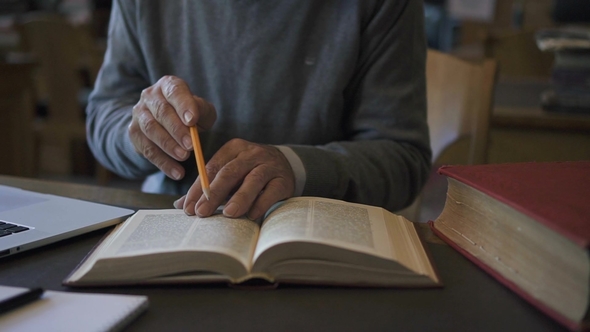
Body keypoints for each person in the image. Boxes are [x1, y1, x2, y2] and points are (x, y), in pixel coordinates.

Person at [86, 0, 432, 220]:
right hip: (174, 222)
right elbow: (105, 112)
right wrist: (143, 132)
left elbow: (402, 158)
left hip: (316, 237)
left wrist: (295, 168)